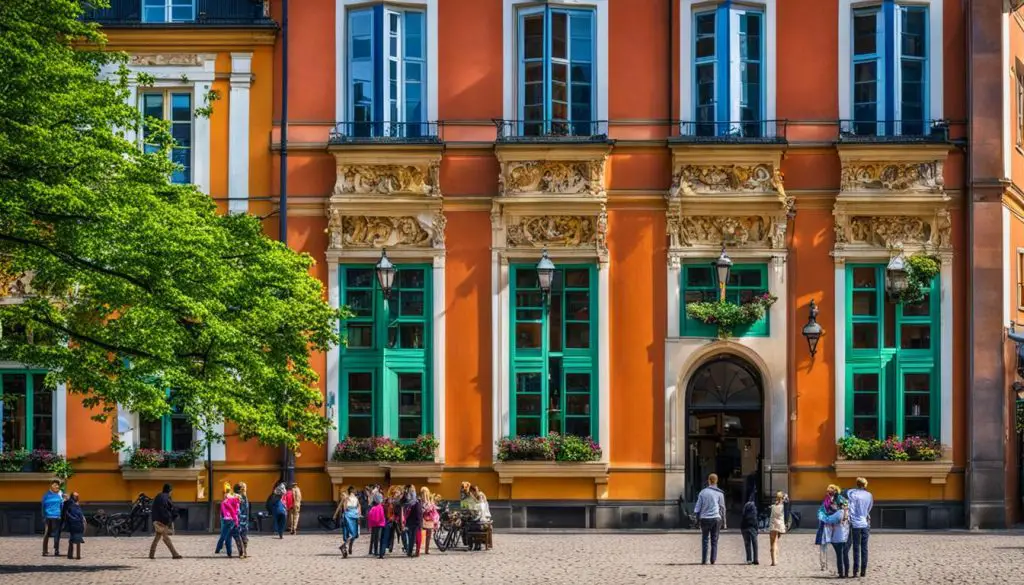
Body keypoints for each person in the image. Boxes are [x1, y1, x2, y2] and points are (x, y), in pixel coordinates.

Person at [693, 472, 726, 565]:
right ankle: (713, 559)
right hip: (716, 518)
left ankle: (704, 560)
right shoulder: (720, 493)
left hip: (705, 518)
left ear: (708, 481)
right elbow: (722, 508)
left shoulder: (702, 492)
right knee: (714, 539)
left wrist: (696, 518)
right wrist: (724, 522)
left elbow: (697, 507)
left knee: (705, 539)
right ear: (716, 481)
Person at [846, 477, 873, 578]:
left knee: (856, 547)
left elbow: (851, 508)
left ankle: (855, 570)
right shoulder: (869, 495)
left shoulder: (853, 494)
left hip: (855, 524)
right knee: (864, 548)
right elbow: (869, 507)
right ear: (865, 485)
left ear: (857, 484)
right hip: (865, 523)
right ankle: (863, 571)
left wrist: (851, 519)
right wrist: (865, 514)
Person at [150, 483, 182, 559]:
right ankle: (175, 554)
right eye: (171, 491)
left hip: (155, 519)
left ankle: (151, 554)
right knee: (166, 538)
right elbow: (169, 509)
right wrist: (170, 519)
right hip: (162, 520)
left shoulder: (158, 496)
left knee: (157, 537)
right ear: (170, 490)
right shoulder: (167, 497)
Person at [823, 497, 851, 578]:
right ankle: (846, 572)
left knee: (839, 556)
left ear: (839, 505)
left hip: (837, 538)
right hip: (847, 538)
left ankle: (841, 573)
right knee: (845, 555)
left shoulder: (838, 513)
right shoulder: (850, 513)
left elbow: (827, 520)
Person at [814, 484, 840, 572]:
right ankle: (823, 565)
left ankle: (836, 565)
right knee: (823, 546)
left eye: (831, 491)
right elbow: (821, 512)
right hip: (825, 525)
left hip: (835, 526)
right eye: (828, 491)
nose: (829, 493)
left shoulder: (839, 499)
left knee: (836, 546)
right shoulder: (826, 501)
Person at [333, 485, 361, 558]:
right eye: (354, 490)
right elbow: (341, 507)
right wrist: (335, 515)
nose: (355, 491)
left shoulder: (356, 498)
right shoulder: (346, 498)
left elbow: (358, 506)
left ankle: (349, 547)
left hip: (353, 516)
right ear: (351, 491)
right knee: (352, 534)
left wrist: (359, 515)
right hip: (349, 516)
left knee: (355, 534)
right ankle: (344, 547)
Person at [215, 482, 240, 558]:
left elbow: (228, 511)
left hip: (227, 519)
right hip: (231, 519)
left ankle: (222, 550)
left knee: (225, 535)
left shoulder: (225, 501)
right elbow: (235, 511)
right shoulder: (234, 500)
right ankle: (232, 552)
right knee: (231, 536)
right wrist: (236, 520)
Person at [41, 480, 64, 557]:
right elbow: (43, 507)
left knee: (56, 534)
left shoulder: (59, 495)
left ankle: (56, 550)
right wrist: (43, 516)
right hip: (49, 517)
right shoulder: (46, 495)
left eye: (58, 485)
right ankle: (45, 550)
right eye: (55, 485)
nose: (57, 486)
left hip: (57, 516)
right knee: (47, 533)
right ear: (51, 486)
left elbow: (62, 506)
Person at [62, 492, 85, 560]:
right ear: (72, 496)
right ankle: (71, 555)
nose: (77, 497)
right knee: (73, 538)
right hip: (72, 523)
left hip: (78, 522)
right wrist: (72, 518)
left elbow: (79, 513)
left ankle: (77, 555)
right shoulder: (69, 503)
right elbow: (65, 512)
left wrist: (82, 519)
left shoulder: (77, 504)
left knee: (77, 538)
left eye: (77, 496)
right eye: (75, 496)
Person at [768, 491, 786, 566]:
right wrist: (784, 498)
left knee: (772, 543)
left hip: (772, 525)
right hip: (779, 526)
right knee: (776, 542)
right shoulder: (783, 506)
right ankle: (775, 560)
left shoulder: (773, 506)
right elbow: (787, 501)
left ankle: (773, 561)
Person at [739, 494, 759, 565]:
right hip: (752, 527)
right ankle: (756, 559)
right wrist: (757, 529)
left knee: (747, 544)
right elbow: (755, 520)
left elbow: (742, 517)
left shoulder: (745, 507)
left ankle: (749, 559)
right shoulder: (753, 507)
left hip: (744, 527)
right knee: (755, 543)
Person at [404, 485, 423, 557]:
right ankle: (411, 551)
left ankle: (410, 551)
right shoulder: (415, 502)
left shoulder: (409, 503)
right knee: (413, 538)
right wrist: (420, 523)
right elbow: (419, 513)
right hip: (414, 523)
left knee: (411, 538)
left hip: (411, 522)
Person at [233, 483, 250, 559]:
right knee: (243, 535)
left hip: (239, 519)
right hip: (243, 519)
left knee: (238, 535)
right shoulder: (243, 497)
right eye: (245, 487)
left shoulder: (237, 496)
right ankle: (244, 552)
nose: (246, 488)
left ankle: (242, 552)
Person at [420, 487, 438, 555]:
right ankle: (422, 549)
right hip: (423, 519)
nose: (424, 494)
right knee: (423, 535)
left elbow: (433, 509)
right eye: (422, 492)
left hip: (429, 519)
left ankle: (426, 550)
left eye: (425, 492)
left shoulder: (430, 500)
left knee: (428, 535)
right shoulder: (420, 501)